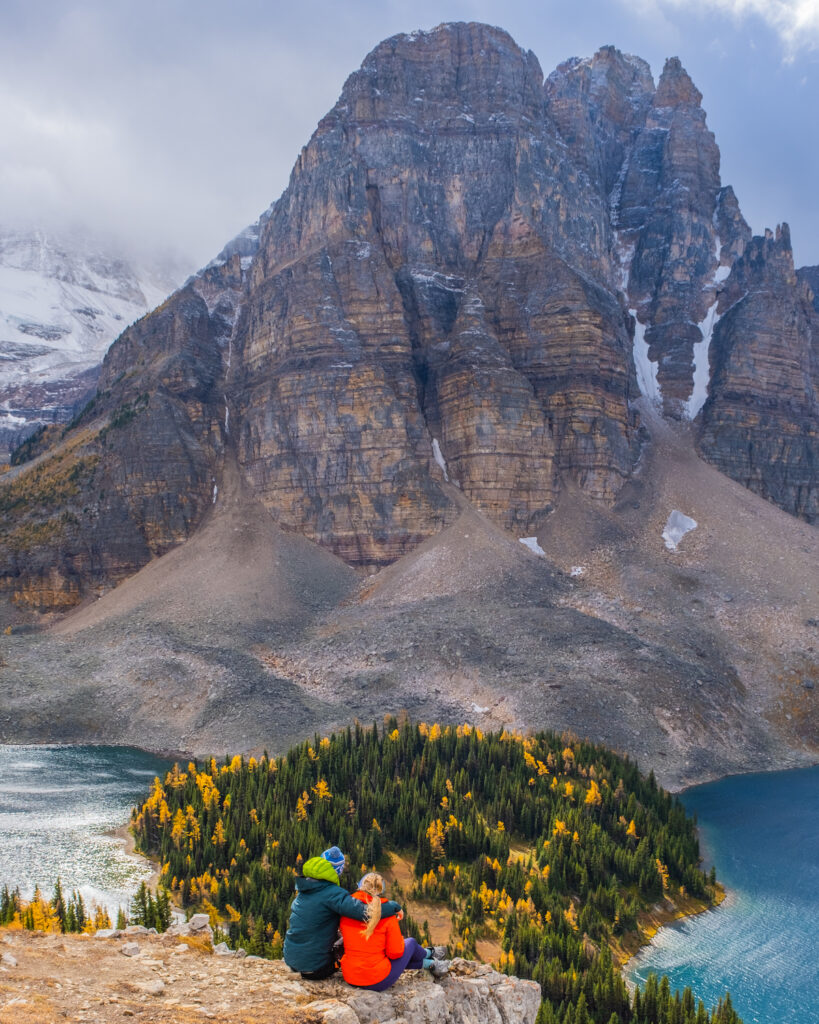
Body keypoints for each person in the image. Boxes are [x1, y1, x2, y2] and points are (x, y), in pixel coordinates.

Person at [283, 846, 402, 979]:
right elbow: (365, 912)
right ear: (336, 871)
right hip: (316, 969)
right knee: (353, 938)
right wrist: (393, 906)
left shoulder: (304, 890)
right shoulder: (332, 894)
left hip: (292, 960)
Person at [339, 872, 450, 991]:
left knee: (388, 958)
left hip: (350, 976)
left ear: (360, 886)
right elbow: (396, 953)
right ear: (380, 891)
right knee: (411, 943)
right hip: (376, 981)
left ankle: (431, 963)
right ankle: (428, 955)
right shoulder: (387, 916)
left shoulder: (346, 913)